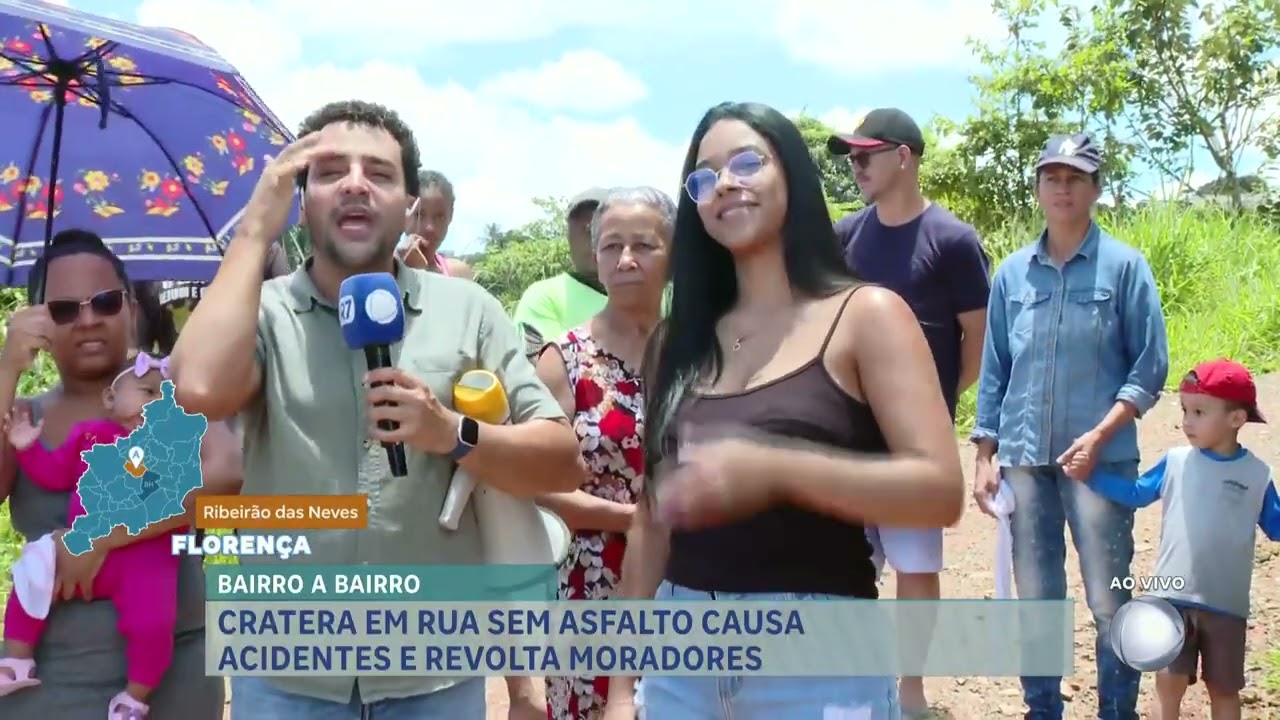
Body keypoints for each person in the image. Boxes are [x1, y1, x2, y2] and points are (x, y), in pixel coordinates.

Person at [169, 99, 582, 719]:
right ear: (301, 200)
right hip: (282, 673)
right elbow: (197, 389)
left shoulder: (468, 309)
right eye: (331, 171)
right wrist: (254, 229)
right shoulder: (263, 312)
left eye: (380, 173)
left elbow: (563, 461)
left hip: (435, 672)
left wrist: (453, 433)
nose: (356, 184)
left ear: (410, 204)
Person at [601, 101, 964, 720]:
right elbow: (651, 519)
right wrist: (620, 688)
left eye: (747, 163)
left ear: (792, 175)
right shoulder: (675, 343)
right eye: (703, 177)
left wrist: (776, 468)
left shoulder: (867, 316)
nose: (724, 184)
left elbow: (938, 492)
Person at [0, 229, 242, 720]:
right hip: (46, 681)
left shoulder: (169, 393)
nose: (88, 320)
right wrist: (7, 370)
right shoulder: (23, 417)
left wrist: (100, 535)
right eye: (64, 309)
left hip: (172, 676)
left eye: (105, 302)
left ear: (131, 310)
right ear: (40, 323)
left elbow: (224, 476)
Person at [972, 133, 1169, 720]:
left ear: (1096, 189)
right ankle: (1042, 710)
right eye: (1052, 178)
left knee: (1109, 597)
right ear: (1038, 188)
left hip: (1099, 465)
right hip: (1025, 461)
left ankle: (1118, 712)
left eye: (1075, 178)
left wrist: (1101, 434)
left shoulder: (1125, 267)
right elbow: (995, 369)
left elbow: (1149, 366)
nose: (1062, 188)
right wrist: (983, 455)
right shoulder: (1012, 275)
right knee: (1038, 599)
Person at [827, 107, 990, 715]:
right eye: (851, 156)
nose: (856, 165)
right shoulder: (845, 237)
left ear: (904, 156)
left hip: (915, 445)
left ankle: (911, 687)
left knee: (915, 567)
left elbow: (978, 340)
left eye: (866, 154)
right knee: (842, 566)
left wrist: (932, 403)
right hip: (846, 437)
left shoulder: (952, 240)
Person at [534, 186, 673, 720]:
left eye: (644, 245)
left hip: (689, 580)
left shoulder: (699, 352)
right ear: (595, 258)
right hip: (590, 587)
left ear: (674, 254)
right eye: (612, 246)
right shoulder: (565, 359)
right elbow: (538, 486)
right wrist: (633, 519)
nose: (626, 259)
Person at [1083, 359, 1280, 720]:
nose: (1187, 421)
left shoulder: (1257, 475)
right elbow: (1136, 493)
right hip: (1169, 598)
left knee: (1224, 689)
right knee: (1167, 683)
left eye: (1199, 412)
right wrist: (1089, 475)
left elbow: (1277, 527)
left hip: (1227, 605)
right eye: (1185, 410)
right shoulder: (1175, 462)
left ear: (1237, 419)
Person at [1, 352, 178, 718]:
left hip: (145, 558)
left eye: (167, 401)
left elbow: (178, 503)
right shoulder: (90, 436)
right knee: (33, 568)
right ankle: (17, 659)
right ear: (110, 398)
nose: (156, 405)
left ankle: (135, 697)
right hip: (76, 549)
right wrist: (28, 447)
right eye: (147, 392)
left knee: (153, 622)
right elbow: (54, 474)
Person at [512, 188, 609, 344]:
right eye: (588, 229)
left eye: (605, 229)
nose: (595, 240)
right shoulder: (543, 297)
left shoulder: (647, 295)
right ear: (569, 236)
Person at [397, 169, 474, 279]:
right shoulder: (383, 270)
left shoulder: (458, 274)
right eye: (419, 214)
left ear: (450, 216)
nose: (430, 228)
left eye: (439, 217)